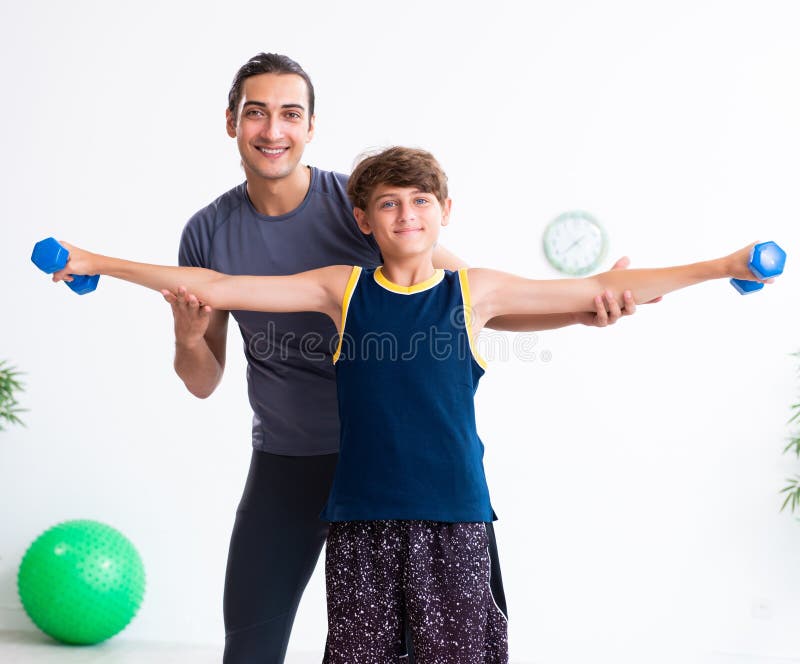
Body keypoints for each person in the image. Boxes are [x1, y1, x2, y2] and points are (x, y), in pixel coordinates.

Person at [51, 146, 776, 663]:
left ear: (445, 212)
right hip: (361, 521)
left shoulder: (475, 291)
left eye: (421, 200)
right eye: (389, 203)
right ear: (363, 220)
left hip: (455, 520)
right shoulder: (341, 288)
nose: (406, 213)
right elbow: (217, 282)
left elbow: (593, 293)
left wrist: (724, 268)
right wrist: (96, 264)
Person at [166, 52, 643, 662]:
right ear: (231, 121)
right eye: (256, 114)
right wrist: (180, 335)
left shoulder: (362, 202)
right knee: (253, 647)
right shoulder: (208, 233)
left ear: (311, 126)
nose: (273, 130)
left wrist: (581, 308)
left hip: (398, 466)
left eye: (290, 113)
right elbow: (202, 380)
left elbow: (469, 300)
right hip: (289, 458)